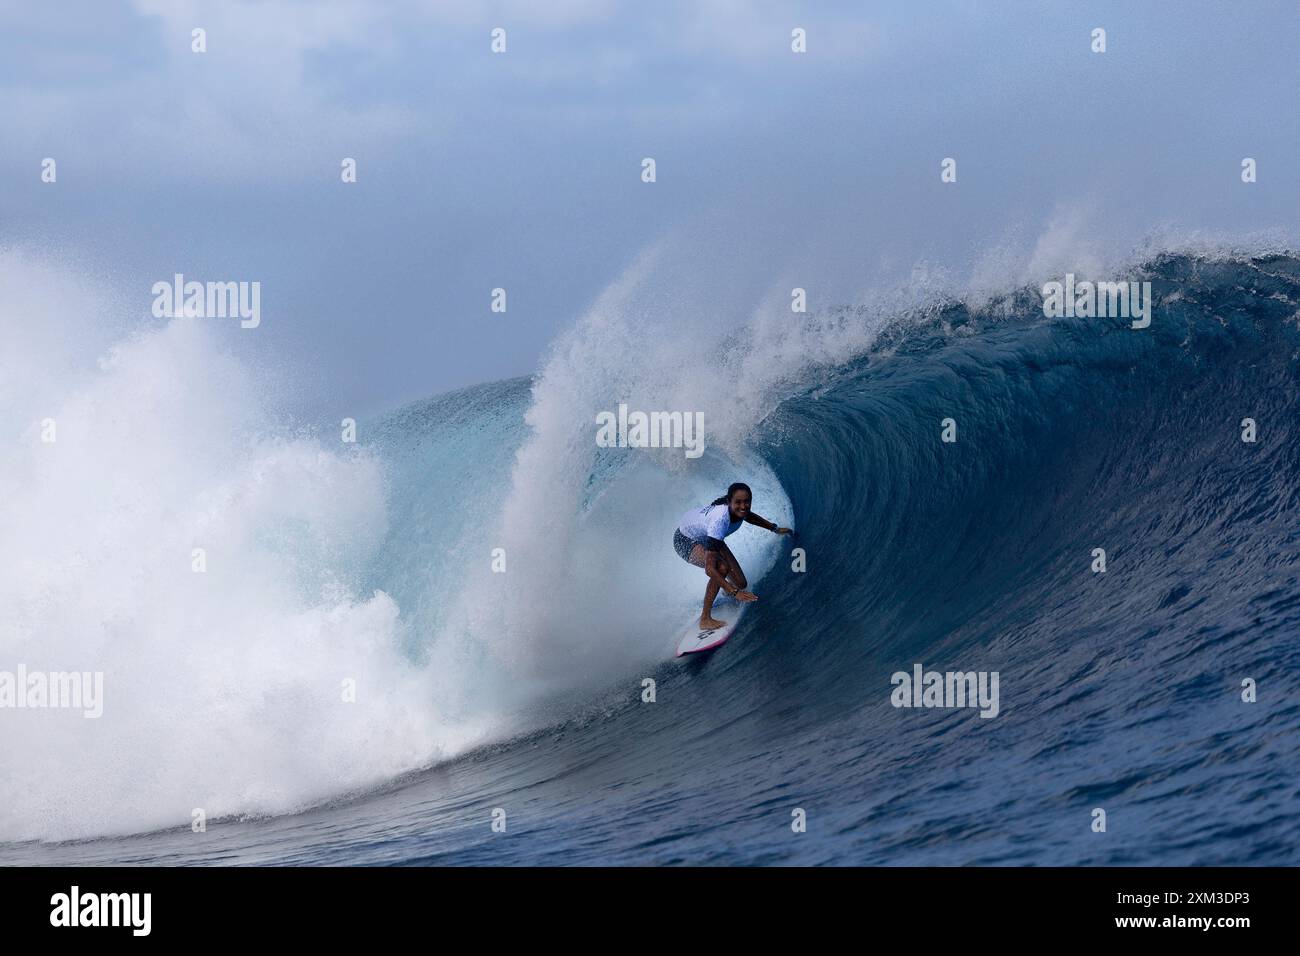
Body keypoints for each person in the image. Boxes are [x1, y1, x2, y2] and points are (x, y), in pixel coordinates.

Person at [673, 482, 792, 630]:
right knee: (721, 568)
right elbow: (710, 569)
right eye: (738, 502)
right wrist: (734, 592)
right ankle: (705, 618)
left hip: (706, 535)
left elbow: (749, 516)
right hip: (685, 539)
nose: (743, 506)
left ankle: (724, 589)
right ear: (729, 502)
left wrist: (775, 528)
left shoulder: (738, 510)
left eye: (746, 502)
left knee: (741, 583)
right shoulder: (720, 522)